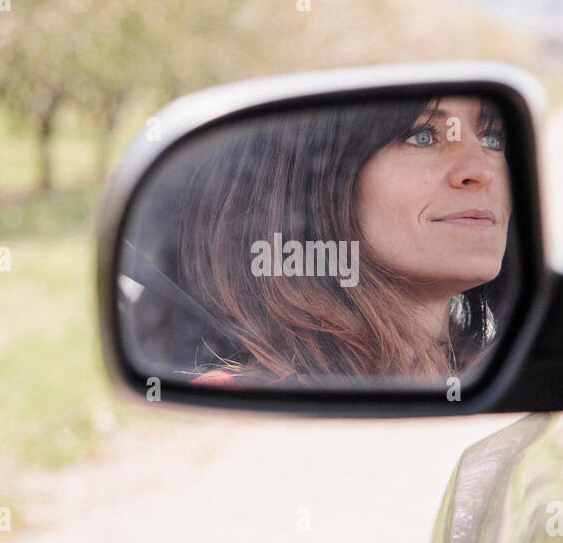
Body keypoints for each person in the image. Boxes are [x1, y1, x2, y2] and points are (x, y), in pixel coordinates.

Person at [177, 94, 517, 388]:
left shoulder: (507, 370)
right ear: (317, 188)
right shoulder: (242, 401)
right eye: (422, 136)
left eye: (492, 139)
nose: (481, 170)